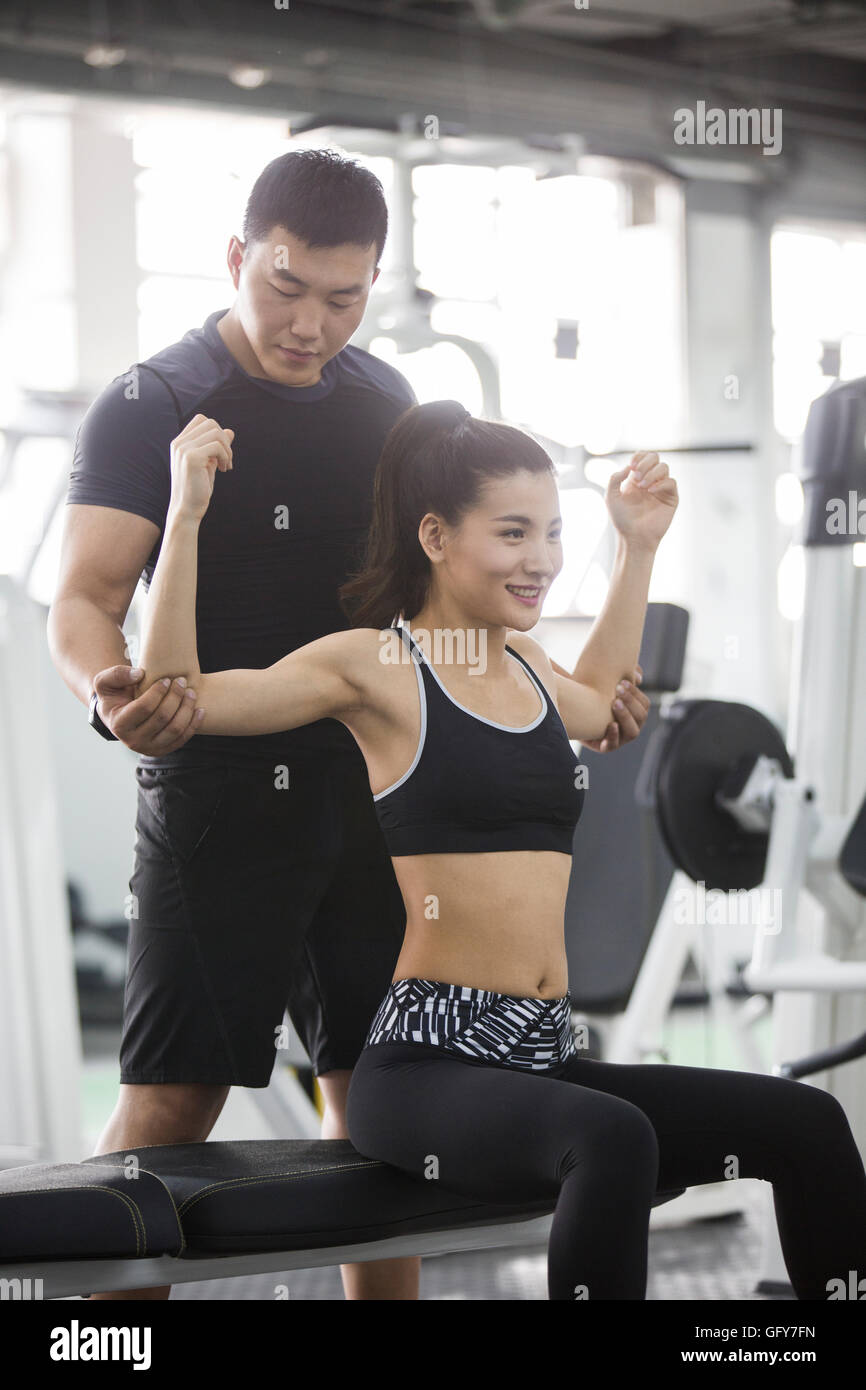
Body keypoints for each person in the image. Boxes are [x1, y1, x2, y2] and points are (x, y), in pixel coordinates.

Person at [47, 148, 650, 1302]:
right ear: (237, 258)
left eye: (343, 295)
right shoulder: (155, 402)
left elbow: (461, 581)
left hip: (386, 793)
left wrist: (554, 690)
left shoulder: (387, 407)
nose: (309, 323)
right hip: (217, 787)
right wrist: (110, 688)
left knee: (373, 1096)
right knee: (173, 1098)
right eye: (284, 289)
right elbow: (82, 598)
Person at [136, 400, 866, 1300]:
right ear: (436, 536)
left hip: (547, 1056)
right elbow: (176, 697)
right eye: (514, 533)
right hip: (427, 1067)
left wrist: (636, 545)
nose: (544, 560)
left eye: (554, 533)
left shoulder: (530, 669)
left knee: (809, 1120)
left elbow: (601, 704)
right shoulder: (377, 667)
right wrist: (186, 512)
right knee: (612, 1138)